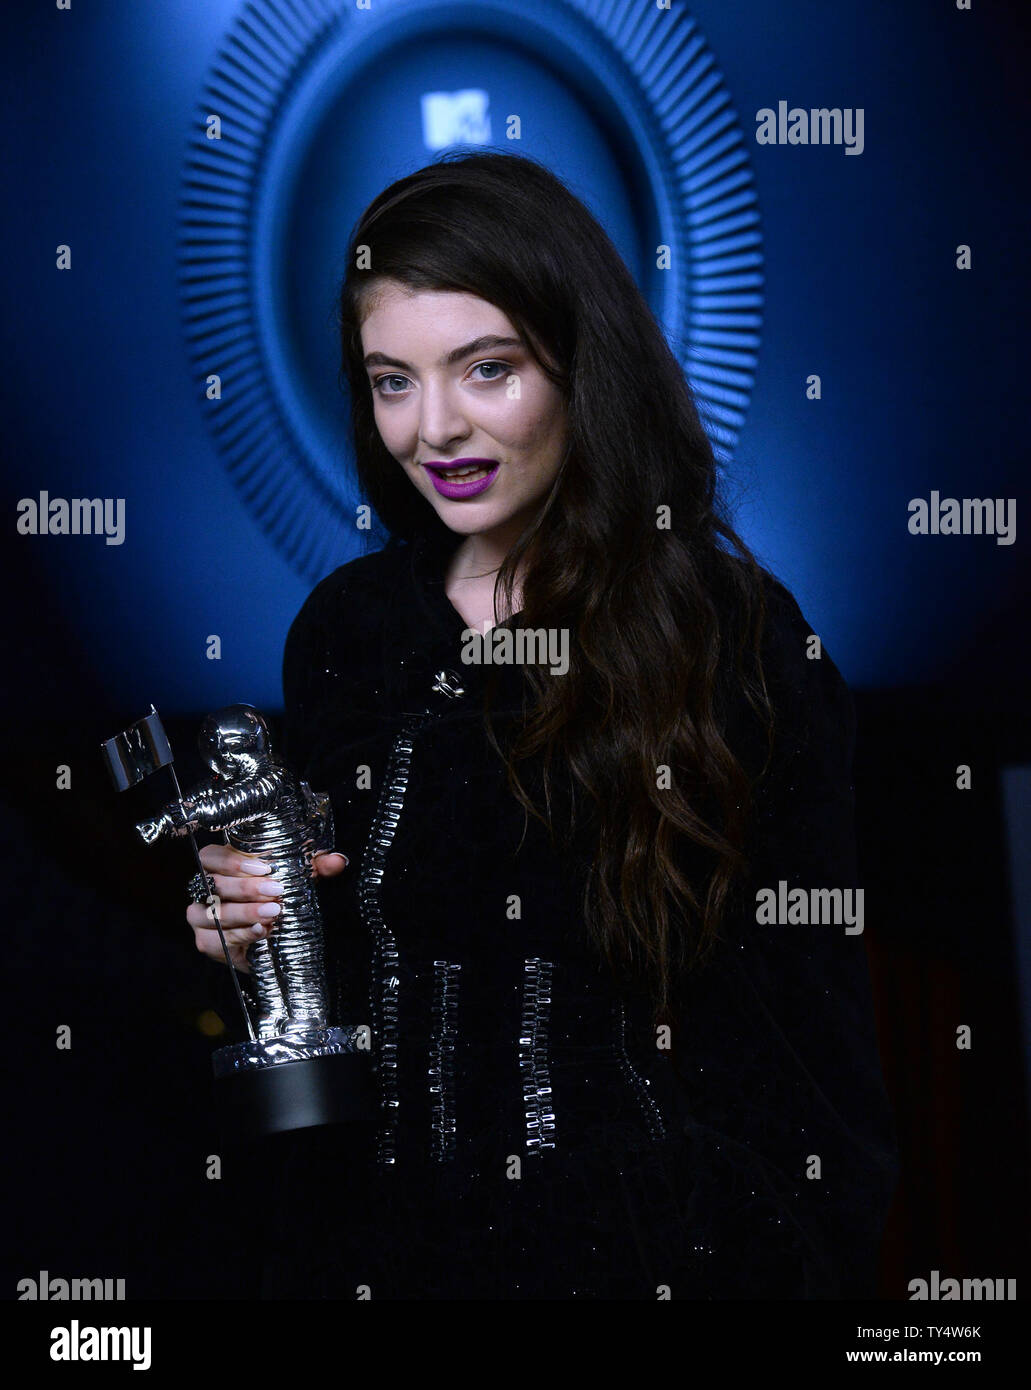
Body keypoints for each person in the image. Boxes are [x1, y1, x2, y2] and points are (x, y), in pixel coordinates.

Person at [187, 151, 899, 1299]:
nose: (434, 430)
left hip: (645, 1263)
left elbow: (813, 1063)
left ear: (580, 362)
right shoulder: (348, 630)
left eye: (485, 369)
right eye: (391, 380)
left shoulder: (734, 638)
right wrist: (253, 925)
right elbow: (342, 979)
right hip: (372, 1252)